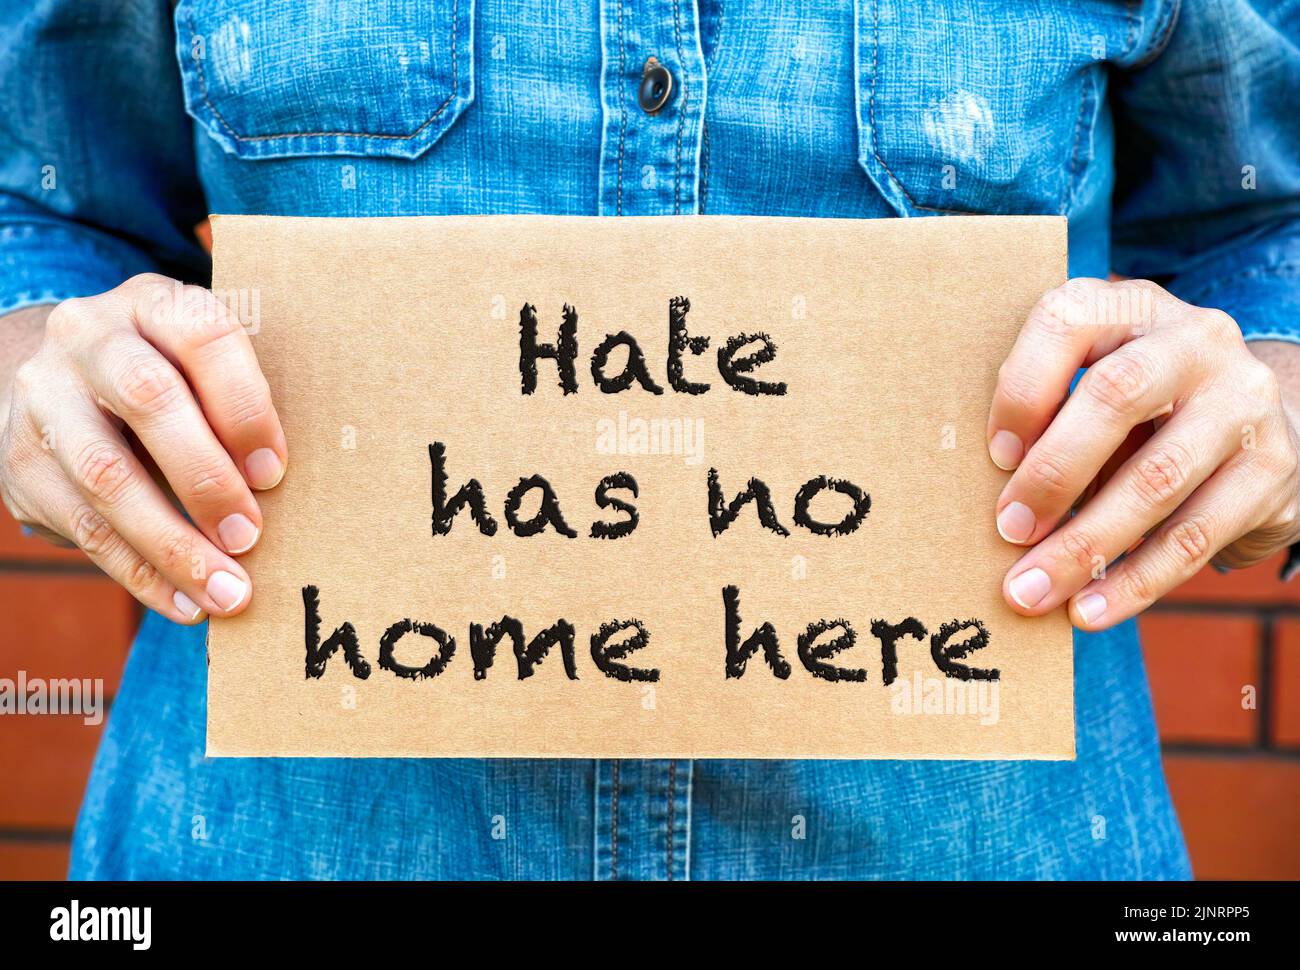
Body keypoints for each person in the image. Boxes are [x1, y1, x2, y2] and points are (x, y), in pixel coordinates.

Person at [1, 0, 1296, 880]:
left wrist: (1270, 409)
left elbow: (1268, 226)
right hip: (270, 834)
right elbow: (39, 206)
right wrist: (33, 370)